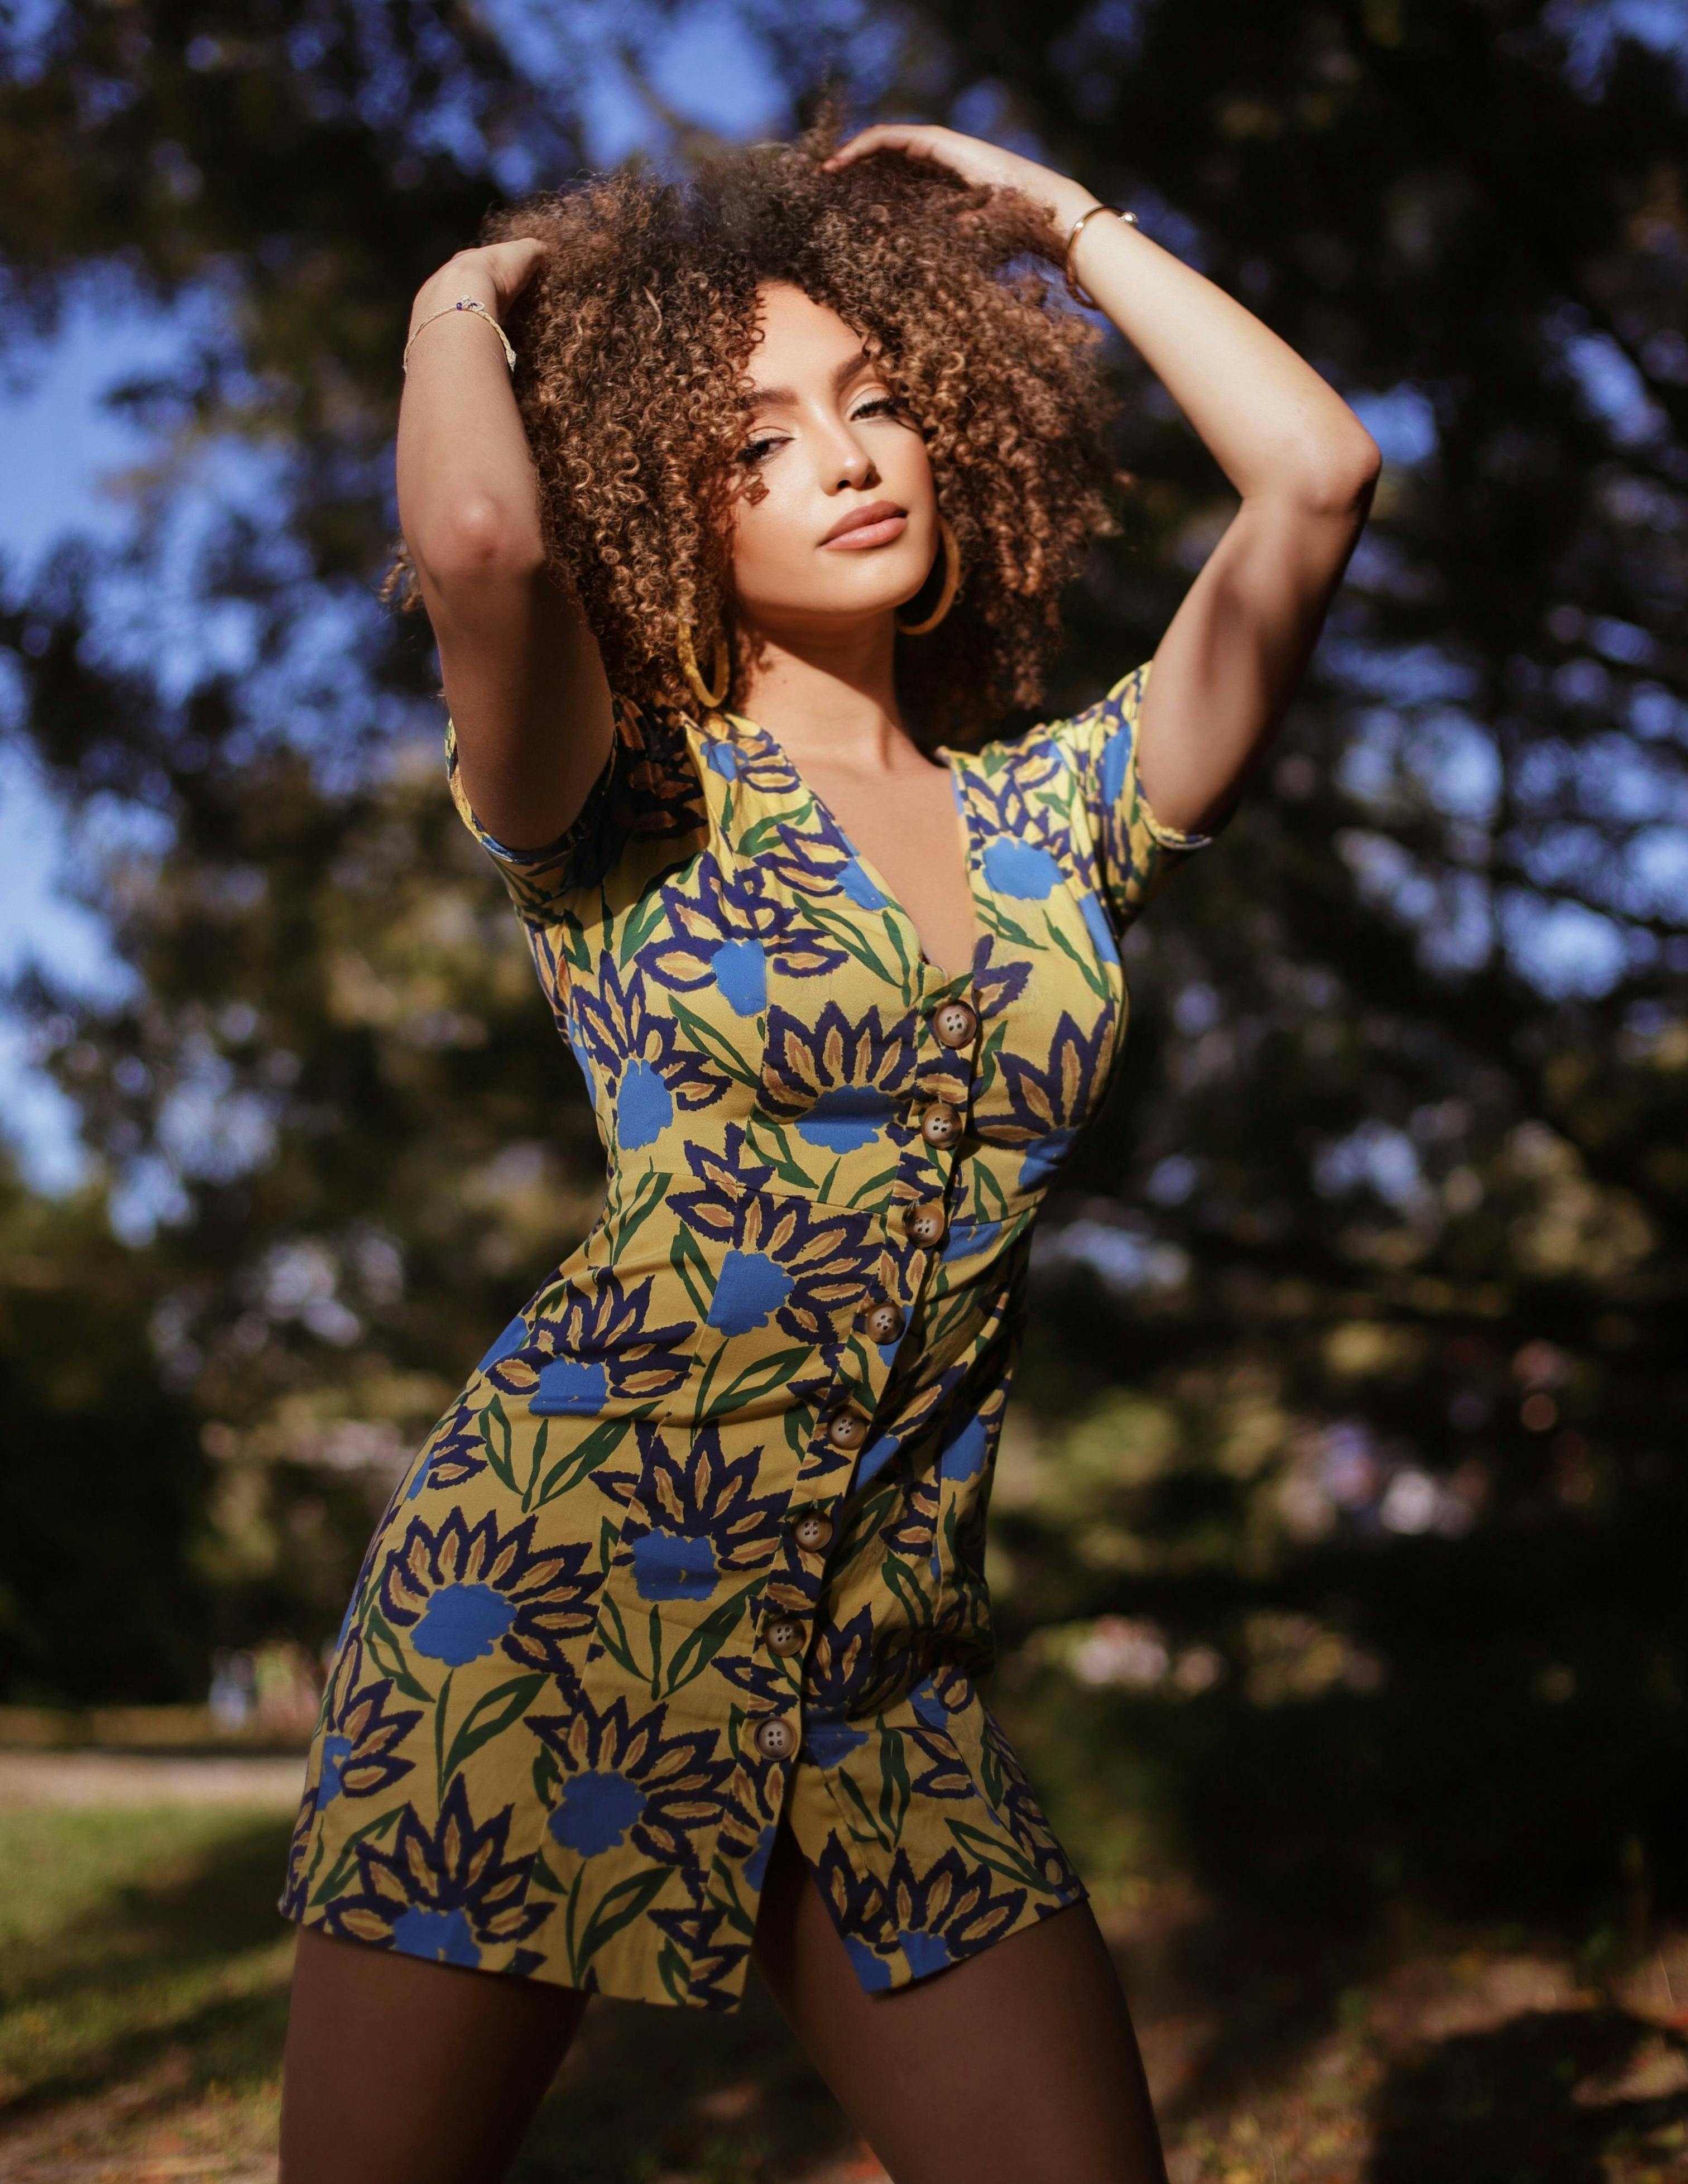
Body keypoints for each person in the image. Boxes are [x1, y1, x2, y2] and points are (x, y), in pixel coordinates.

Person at [277, 113, 1378, 2184]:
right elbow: (491, 551)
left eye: (876, 404)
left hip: (887, 1666)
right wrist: (467, 296)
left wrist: (1060, 223)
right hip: (559, 1596)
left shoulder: (1063, 817)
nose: (848, 459)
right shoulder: (607, 792)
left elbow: (1318, 477)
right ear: (665, 507)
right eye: (755, 440)